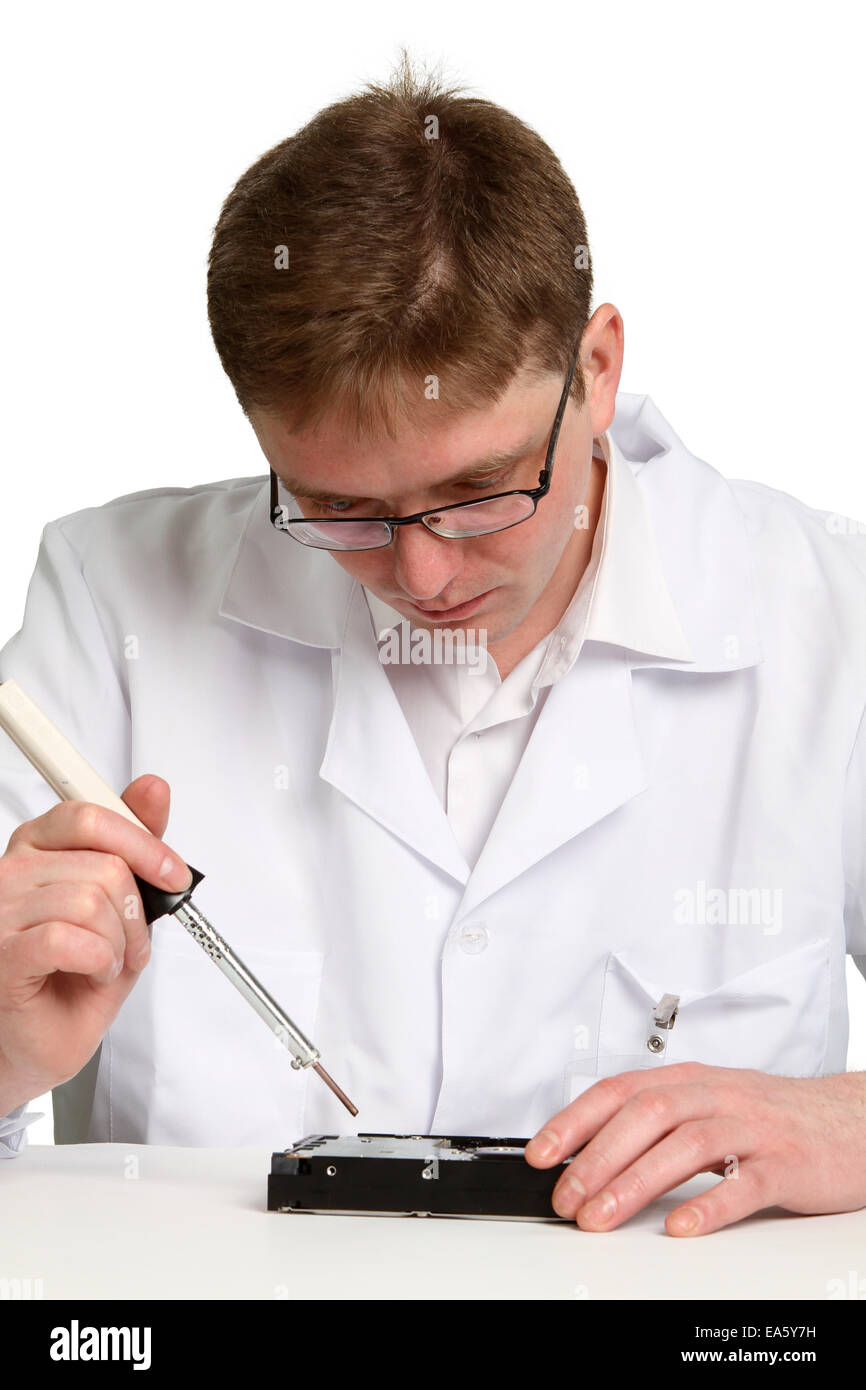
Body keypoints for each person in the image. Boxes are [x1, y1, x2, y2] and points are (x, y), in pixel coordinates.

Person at [1, 54, 865, 1239]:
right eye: (340, 508)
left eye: (480, 490)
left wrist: (850, 1121)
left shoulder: (823, 614)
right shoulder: (111, 604)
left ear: (596, 369)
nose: (422, 574)